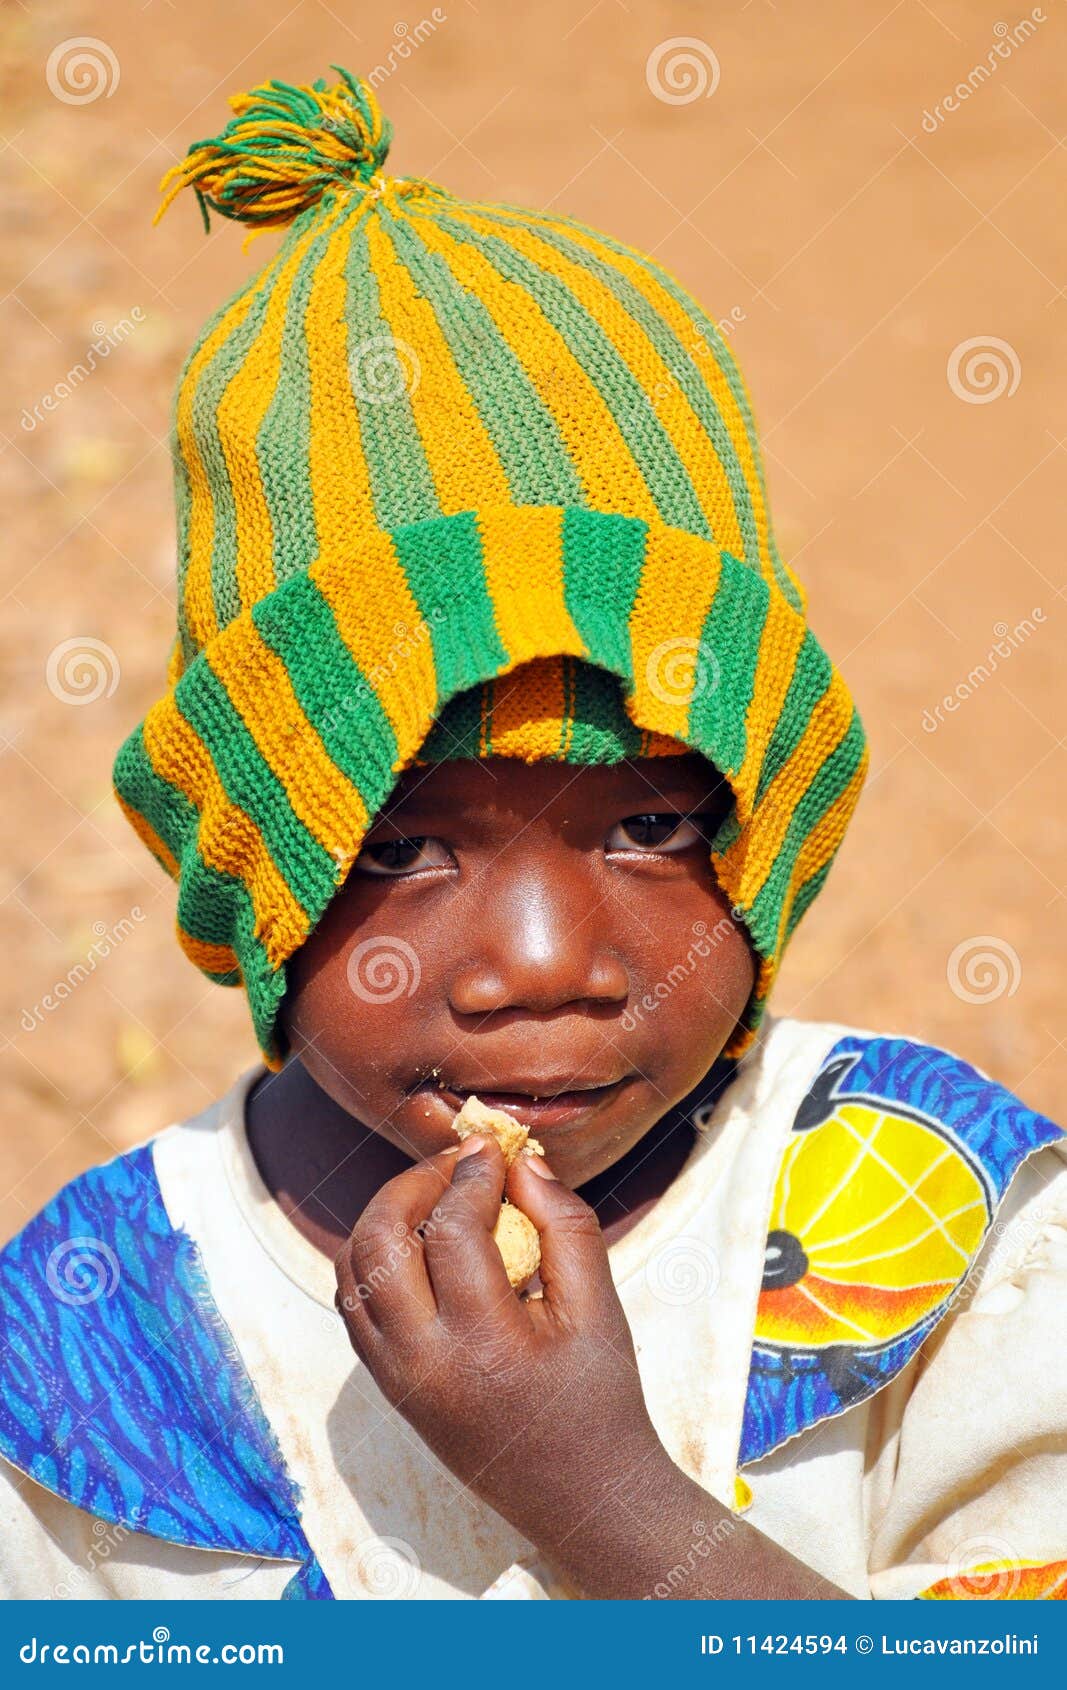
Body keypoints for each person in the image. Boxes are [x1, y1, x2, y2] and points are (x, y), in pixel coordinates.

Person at [1, 67, 1063, 1603]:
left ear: (768, 818)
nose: (542, 966)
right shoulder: (98, 1345)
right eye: (400, 850)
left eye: (646, 821)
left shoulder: (953, 1223)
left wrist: (613, 1502)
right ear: (259, 869)